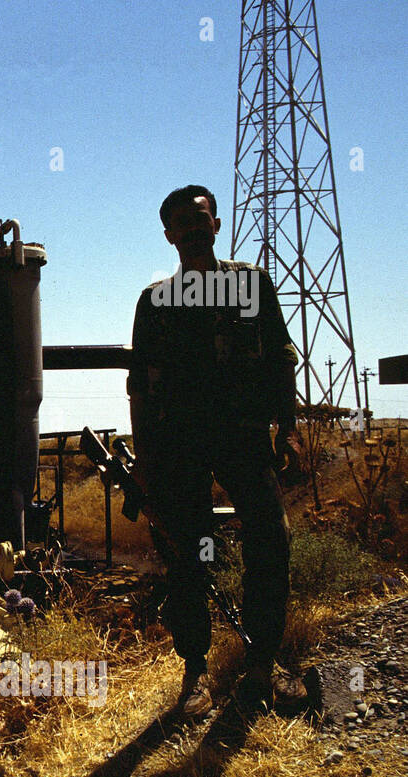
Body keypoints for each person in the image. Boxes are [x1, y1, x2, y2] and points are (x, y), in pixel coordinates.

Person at [128, 185, 305, 718]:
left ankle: (262, 664)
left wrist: (289, 428)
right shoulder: (157, 301)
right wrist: (145, 459)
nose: (194, 228)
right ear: (169, 236)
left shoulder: (250, 283)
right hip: (181, 443)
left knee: (269, 543)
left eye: (201, 217)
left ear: (217, 224)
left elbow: (281, 358)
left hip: (245, 437)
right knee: (189, 553)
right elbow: (142, 385)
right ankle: (195, 673)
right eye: (182, 222)